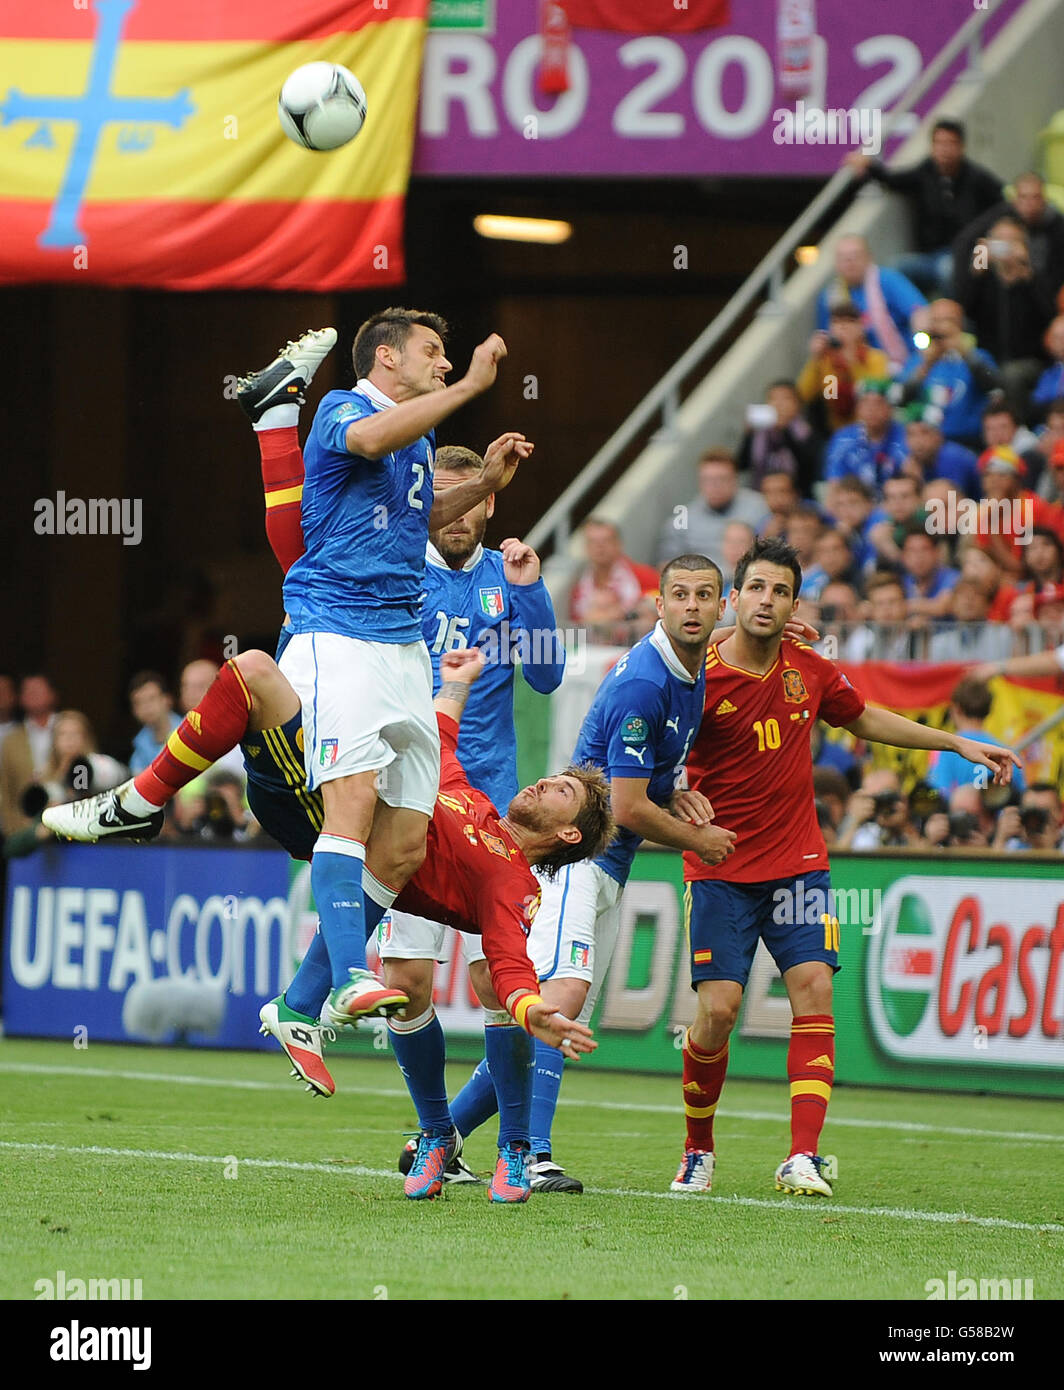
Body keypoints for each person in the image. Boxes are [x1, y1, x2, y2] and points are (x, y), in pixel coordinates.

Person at [43, 645, 613, 1203]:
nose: (542, 782)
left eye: (560, 790)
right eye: (553, 777)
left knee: (258, 674)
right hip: (330, 804)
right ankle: (395, 1088)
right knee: (254, 672)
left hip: (328, 810)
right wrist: (457, 685)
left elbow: (510, 961)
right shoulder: (476, 805)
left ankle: (494, 1142)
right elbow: (434, 745)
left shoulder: (515, 883)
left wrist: (531, 1007)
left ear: (568, 834)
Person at [668, 536, 1019, 1197]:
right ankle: (698, 1147)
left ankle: (802, 1155)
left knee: (815, 992)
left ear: (796, 603)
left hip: (800, 865)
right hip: (718, 867)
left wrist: (954, 739)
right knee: (718, 1013)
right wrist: (670, 794)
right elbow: (644, 740)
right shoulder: (694, 670)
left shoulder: (810, 669)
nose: (768, 601)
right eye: (757, 588)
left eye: (781, 591)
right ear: (734, 597)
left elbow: (866, 720)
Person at [251, 309, 515, 1029]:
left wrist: (484, 481)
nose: (442, 361)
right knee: (353, 803)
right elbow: (369, 439)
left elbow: (420, 519)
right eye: (433, 351)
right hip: (339, 633)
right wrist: (468, 388)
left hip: (404, 648)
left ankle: (299, 1003)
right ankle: (347, 977)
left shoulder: (420, 437)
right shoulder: (348, 407)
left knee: (400, 844)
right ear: (388, 359)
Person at [449, 555, 738, 1194]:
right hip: (577, 858)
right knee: (560, 1003)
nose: (693, 607)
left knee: (562, 1012)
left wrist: (677, 788)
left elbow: (643, 784)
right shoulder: (644, 684)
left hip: (607, 863)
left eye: (706, 597)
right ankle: (533, 1153)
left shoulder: (689, 669)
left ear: (724, 607)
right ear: (657, 604)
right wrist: (698, 836)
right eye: (680, 595)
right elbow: (628, 806)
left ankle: (437, 1137)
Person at [845, 119, 1002, 296]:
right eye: (939, 143)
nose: (944, 149)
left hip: (967, 255)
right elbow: (894, 180)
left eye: (950, 143)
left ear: (962, 147)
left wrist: (989, 243)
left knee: (947, 269)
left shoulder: (978, 178)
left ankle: (951, 319)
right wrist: (869, 167)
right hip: (927, 256)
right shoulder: (925, 173)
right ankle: (916, 318)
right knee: (894, 270)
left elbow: (1003, 206)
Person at [954, 219, 1056, 414]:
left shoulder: (1034, 278)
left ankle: (1017, 426)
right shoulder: (984, 278)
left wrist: (1027, 274)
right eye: (998, 240)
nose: (1004, 246)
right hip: (988, 357)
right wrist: (979, 262)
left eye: (1012, 241)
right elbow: (963, 308)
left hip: (1030, 360)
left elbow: (1049, 316)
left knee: (1011, 375)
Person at [896, 299, 1000, 447]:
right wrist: (927, 364)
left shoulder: (977, 356)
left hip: (968, 441)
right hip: (926, 442)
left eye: (949, 321)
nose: (942, 327)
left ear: (960, 325)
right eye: (936, 321)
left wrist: (964, 352)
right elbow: (901, 399)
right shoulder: (918, 359)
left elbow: (993, 386)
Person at [816, 235, 928, 370]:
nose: (850, 261)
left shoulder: (888, 279)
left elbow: (919, 313)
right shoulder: (829, 296)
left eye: (855, 255)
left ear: (869, 258)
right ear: (836, 264)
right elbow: (826, 337)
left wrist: (923, 344)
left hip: (905, 361)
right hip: (858, 370)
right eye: (843, 258)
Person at [954, 172, 1064, 301]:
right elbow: (966, 299)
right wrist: (980, 262)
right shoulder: (997, 216)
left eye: (1035, 197)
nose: (1030, 204)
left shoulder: (1057, 228)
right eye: (1002, 239)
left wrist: (1027, 271)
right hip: (992, 295)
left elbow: (1051, 293)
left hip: (1036, 296)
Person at [657, 449, 769, 567]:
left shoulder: (758, 506)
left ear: (735, 480)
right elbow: (666, 565)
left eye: (722, 479)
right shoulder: (682, 518)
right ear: (700, 482)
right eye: (708, 480)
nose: (715, 486)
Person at [798, 301, 890, 433]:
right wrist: (815, 359)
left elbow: (874, 393)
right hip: (836, 432)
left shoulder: (876, 358)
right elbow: (803, 396)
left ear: (861, 327)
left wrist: (851, 360)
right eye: (836, 322)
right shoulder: (825, 361)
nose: (843, 327)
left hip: (869, 429)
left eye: (850, 322)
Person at [926, 675, 1025, 798]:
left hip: (959, 815)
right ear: (988, 710)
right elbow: (1019, 797)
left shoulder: (943, 751)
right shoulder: (1007, 754)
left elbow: (939, 794)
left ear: (956, 709)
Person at [569, 516, 658, 643]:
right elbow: (576, 627)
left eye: (606, 541)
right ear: (586, 548)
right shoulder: (580, 589)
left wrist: (625, 613)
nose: (600, 547)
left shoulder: (644, 576)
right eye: (593, 542)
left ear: (618, 544)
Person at [823, 379, 908, 495]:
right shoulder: (843, 438)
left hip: (894, 503)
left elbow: (911, 479)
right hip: (855, 503)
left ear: (891, 409)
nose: (871, 409)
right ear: (857, 408)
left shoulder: (906, 436)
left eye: (879, 403)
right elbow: (834, 483)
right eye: (865, 403)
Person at [0, 674, 59, 837]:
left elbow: (84, 770)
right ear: (20, 698)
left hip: (67, 824)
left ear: (53, 694)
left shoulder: (70, 728)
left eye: (38, 689)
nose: (32, 694)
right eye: (27, 690)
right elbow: (5, 789)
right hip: (25, 828)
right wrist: (13, 829)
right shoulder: (11, 740)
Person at [736, 381, 819, 493]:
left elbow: (809, 469)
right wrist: (748, 435)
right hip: (761, 495)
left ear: (798, 404)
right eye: (773, 399)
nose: (779, 404)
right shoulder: (759, 433)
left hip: (799, 496)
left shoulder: (807, 431)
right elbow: (741, 465)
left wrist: (784, 430)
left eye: (786, 399)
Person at [128, 671, 182, 774]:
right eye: (138, 702)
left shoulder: (189, 731)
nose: (146, 707)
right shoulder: (138, 749)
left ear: (167, 700)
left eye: (151, 698)